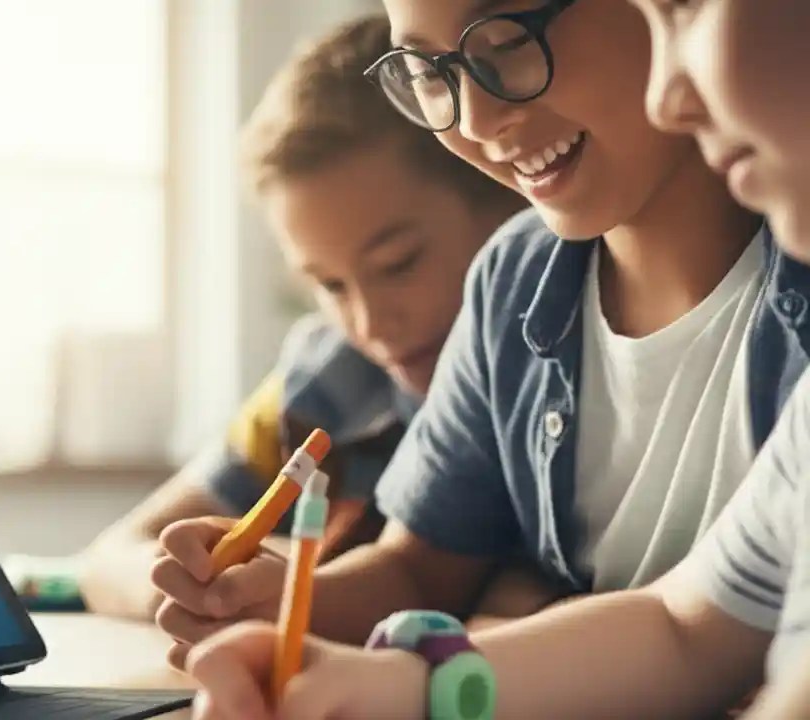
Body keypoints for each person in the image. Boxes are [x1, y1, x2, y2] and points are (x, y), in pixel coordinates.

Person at [186, 0, 810, 717]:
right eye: (425, 70)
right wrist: (398, 683)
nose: (476, 122)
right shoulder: (510, 289)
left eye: (510, 39)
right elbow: (682, 628)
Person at [76, 15, 525, 623]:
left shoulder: (542, 376)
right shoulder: (323, 382)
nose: (368, 322)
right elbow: (107, 557)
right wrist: (199, 591)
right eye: (330, 284)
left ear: (507, 199)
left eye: (398, 264)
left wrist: (297, 591)